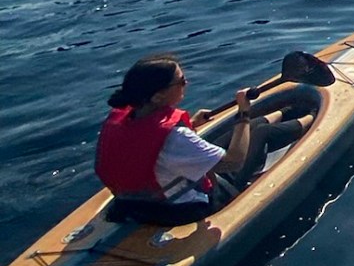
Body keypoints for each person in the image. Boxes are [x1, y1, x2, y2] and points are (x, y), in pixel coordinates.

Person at [95, 54, 310, 221]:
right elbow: (234, 161)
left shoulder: (121, 119)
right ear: (157, 95)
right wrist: (243, 112)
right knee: (260, 132)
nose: (186, 84)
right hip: (183, 209)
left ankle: (290, 110)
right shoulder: (176, 138)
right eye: (181, 81)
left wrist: (193, 124)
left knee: (254, 125)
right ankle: (312, 117)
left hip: (136, 205)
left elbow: (153, 149)